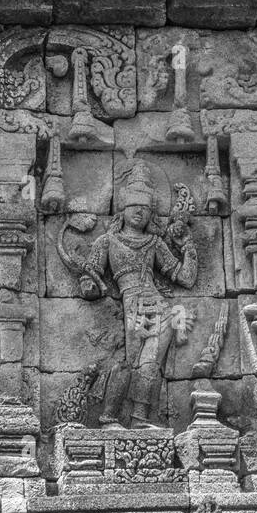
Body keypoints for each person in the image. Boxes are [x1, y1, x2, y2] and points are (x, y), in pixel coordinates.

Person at [81, 158, 197, 428]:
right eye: (134, 206)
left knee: (150, 364)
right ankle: (109, 416)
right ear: (123, 209)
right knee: (128, 363)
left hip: (160, 306)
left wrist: (187, 243)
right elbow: (89, 278)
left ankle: (139, 419)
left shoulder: (155, 242)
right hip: (132, 303)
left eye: (145, 208)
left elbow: (186, 278)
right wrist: (90, 285)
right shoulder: (108, 241)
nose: (140, 213)